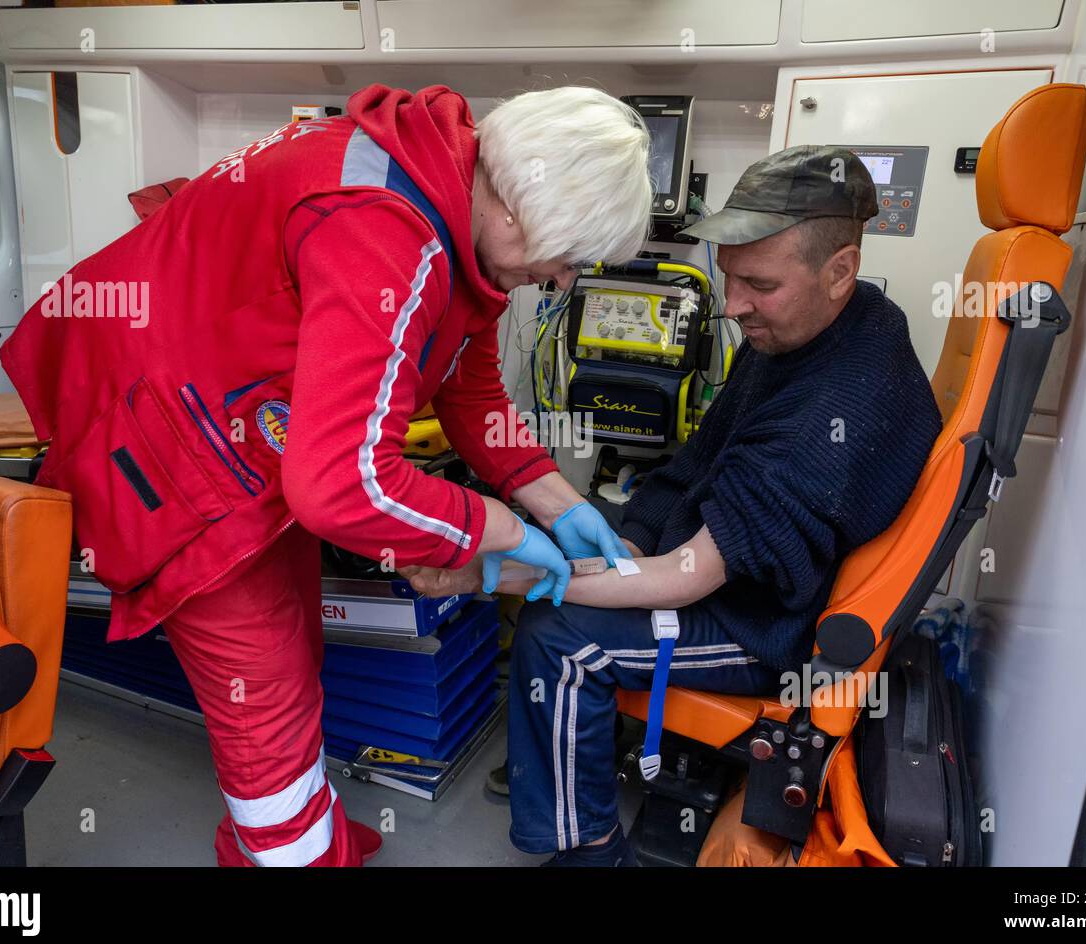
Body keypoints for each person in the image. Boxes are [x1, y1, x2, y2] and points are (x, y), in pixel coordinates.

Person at [0, 83, 652, 866]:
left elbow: (468, 389)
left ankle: (300, 832)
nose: (562, 282)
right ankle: (291, 851)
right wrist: (501, 533)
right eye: (570, 259)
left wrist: (555, 498)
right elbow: (342, 482)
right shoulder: (386, 226)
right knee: (263, 692)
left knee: (297, 652)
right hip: (170, 445)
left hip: (246, 427)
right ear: (523, 210)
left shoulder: (454, 196)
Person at [404, 145, 944, 866]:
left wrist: (487, 575)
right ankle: (573, 750)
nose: (733, 305)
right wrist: (627, 538)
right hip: (722, 561)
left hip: (765, 621)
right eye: (728, 279)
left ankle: (589, 848)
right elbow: (695, 462)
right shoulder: (815, 327)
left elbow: (689, 578)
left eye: (758, 284)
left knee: (560, 638)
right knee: (601, 541)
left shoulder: (836, 409)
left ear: (839, 270)